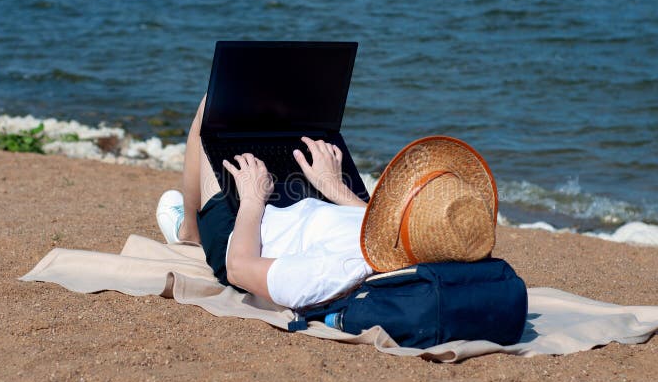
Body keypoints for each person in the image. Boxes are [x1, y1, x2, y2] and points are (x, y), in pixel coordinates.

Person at [157, 95, 500, 310]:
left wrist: (252, 198)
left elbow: (240, 269)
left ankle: (191, 231)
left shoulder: (332, 273)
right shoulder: (409, 247)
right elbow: (375, 226)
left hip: (244, 232)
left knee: (211, 107)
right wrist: (331, 185)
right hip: (307, 209)